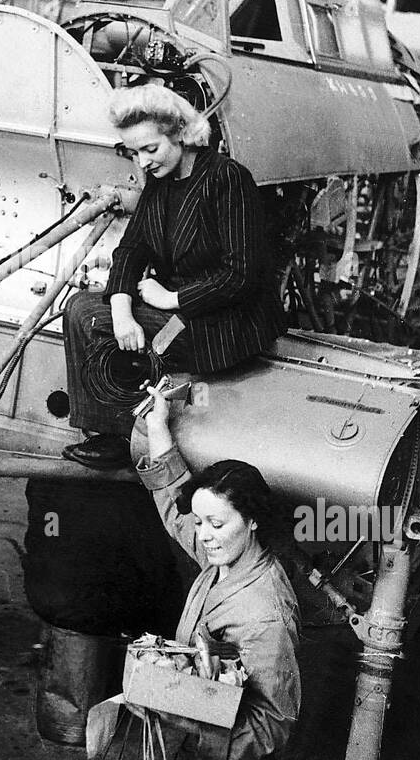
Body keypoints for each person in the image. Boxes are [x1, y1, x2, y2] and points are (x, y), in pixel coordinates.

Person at [130, 384, 301, 760]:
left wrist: (185, 717)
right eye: (201, 523)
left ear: (252, 520)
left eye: (217, 523)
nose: (202, 535)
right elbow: (175, 509)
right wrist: (159, 430)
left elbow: (275, 722)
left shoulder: (263, 613)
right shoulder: (224, 560)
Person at [61, 84, 286, 470]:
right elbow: (131, 249)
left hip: (224, 322)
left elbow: (242, 275)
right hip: (185, 311)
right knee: (83, 308)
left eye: (151, 149)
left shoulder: (226, 178)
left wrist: (170, 299)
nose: (143, 161)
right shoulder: (161, 184)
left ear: (181, 132)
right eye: (134, 152)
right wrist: (120, 307)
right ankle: (109, 431)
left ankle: (120, 435)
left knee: (90, 320)